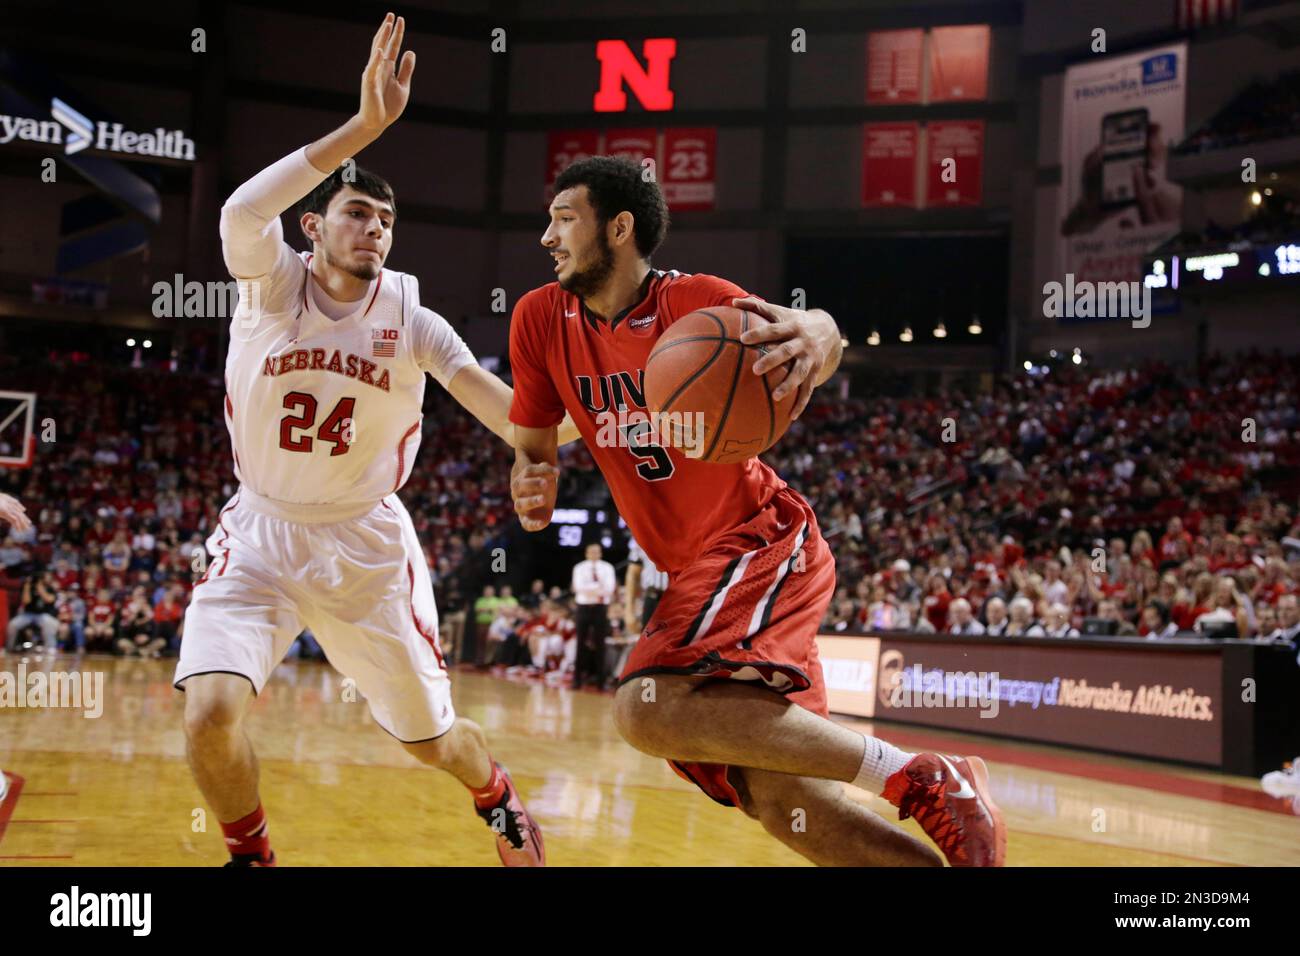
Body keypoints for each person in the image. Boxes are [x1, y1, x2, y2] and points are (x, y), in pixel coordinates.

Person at [507, 155, 1005, 866]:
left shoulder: (697, 305)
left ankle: (920, 775)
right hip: (698, 574)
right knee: (788, 803)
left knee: (644, 708)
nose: (547, 237)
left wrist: (822, 332)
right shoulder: (537, 319)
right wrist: (533, 479)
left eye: (563, 219)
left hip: (761, 540)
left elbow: (818, 334)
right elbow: (531, 447)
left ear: (619, 228)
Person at [173, 14, 578, 868]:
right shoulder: (267, 287)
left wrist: (615, 411)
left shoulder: (413, 320)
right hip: (259, 533)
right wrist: (362, 129)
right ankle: (251, 855)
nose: (375, 230)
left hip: (363, 545)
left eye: (385, 221)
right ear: (314, 227)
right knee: (207, 713)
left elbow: (512, 415)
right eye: (357, 214)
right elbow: (245, 207)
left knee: (430, 741)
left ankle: (496, 797)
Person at [571, 542, 615, 689]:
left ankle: (600, 681)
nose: (595, 554)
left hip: (600, 608)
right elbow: (578, 587)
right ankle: (576, 679)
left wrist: (592, 590)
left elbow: (609, 588)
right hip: (583, 607)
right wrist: (597, 589)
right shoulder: (579, 568)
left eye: (597, 551)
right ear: (587, 553)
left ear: (601, 553)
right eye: (592, 551)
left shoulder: (608, 568)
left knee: (600, 644)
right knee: (580, 643)